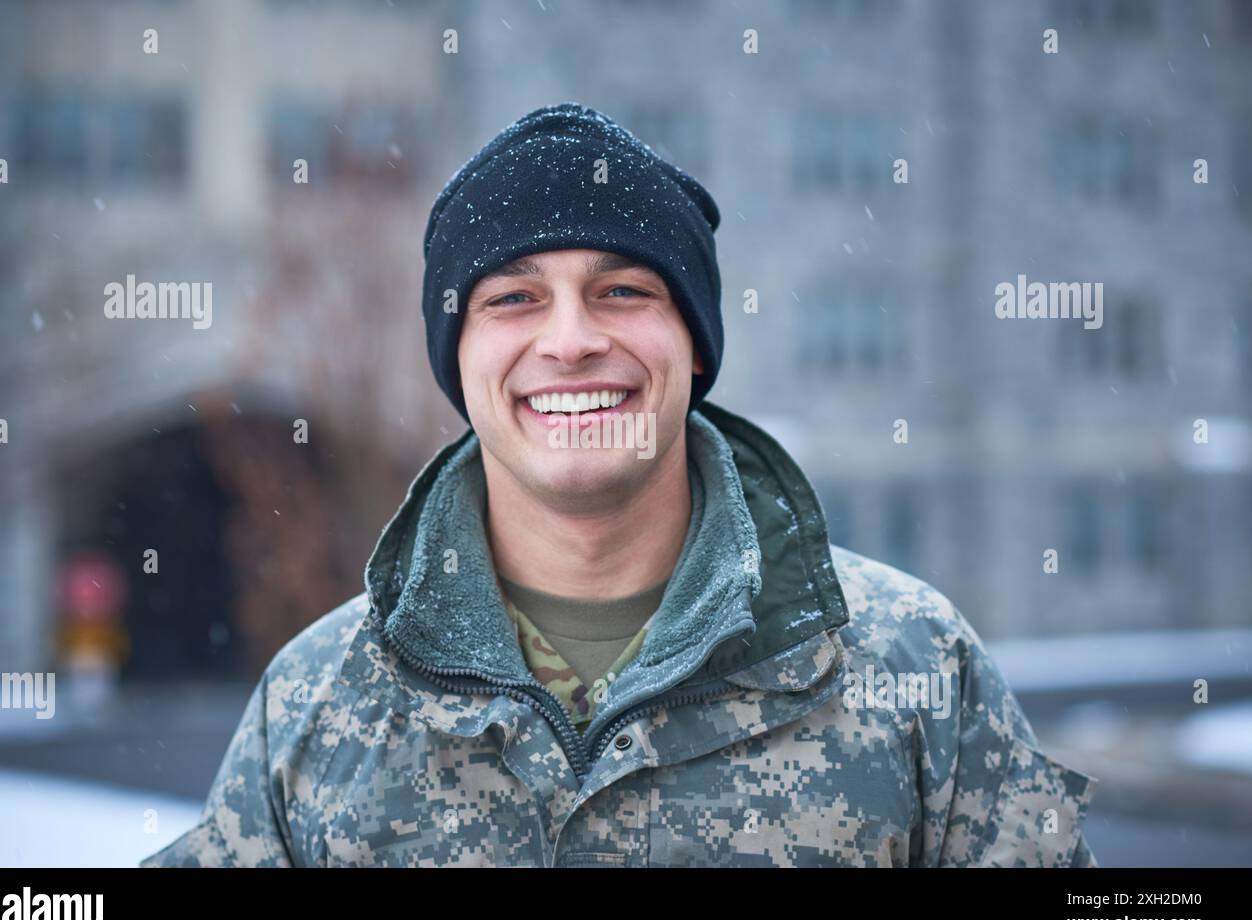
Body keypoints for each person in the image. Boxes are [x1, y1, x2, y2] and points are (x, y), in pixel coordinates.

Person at [142, 102, 1098, 867]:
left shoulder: (910, 668)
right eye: (512, 297)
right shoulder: (318, 698)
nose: (569, 339)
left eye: (624, 290)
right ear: (461, 358)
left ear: (693, 342)